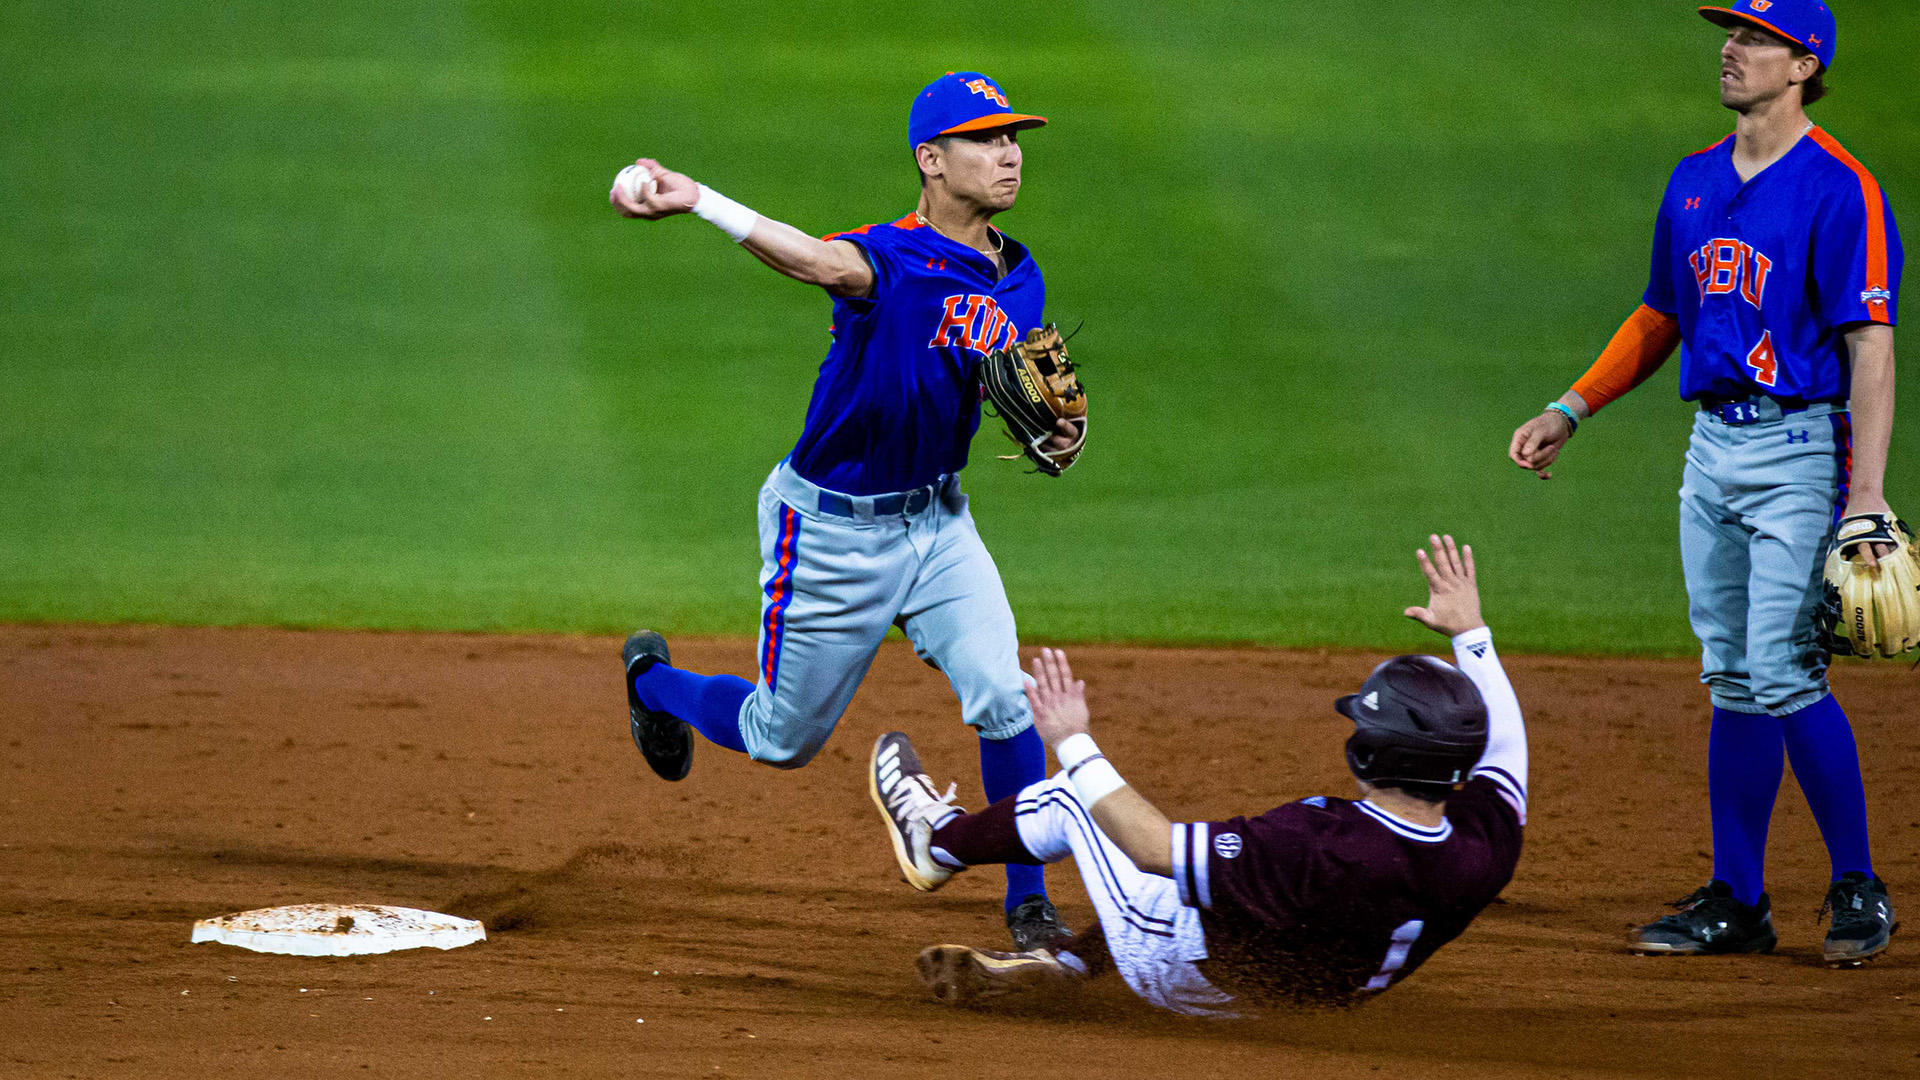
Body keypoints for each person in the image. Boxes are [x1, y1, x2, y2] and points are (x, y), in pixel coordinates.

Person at [606, 72, 1085, 950]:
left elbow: (1004, 381)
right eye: (986, 139)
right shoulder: (891, 257)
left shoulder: (1023, 277)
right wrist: (700, 199)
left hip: (940, 526)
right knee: (779, 737)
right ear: (931, 162)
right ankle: (653, 686)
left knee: (1006, 698)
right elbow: (816, 261)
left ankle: (1028, 903)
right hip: (830, 530)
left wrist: (1050, 434)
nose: (1009, 152)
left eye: (1015, 137)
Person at [1506, 1, 1899, 964]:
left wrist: (1866, 500)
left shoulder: (1842, 188)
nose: (1731, 48)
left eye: (1755, 38)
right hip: (1711, 454)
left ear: (1804, 64)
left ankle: (1857, 885)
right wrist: (1572, 406)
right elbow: (1659, 314)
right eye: (1730, 32)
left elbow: (1872, 350)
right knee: (1732, 677)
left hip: (1803, 450)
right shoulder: (1691, 181)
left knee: (1783, 670)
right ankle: (1739, 897)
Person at [870, 535, 1527, 1014]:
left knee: (1078, 799)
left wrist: (1074, 742)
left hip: (1184, 972)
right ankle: (1065, 963)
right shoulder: (1484, 848)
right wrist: (1470, 634)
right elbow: (1504, 752)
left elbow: (1154, 849)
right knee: (1226, 889)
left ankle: (937, 842)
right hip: (1299, 1004)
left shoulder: (1318, 843)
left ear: (1373, 753)